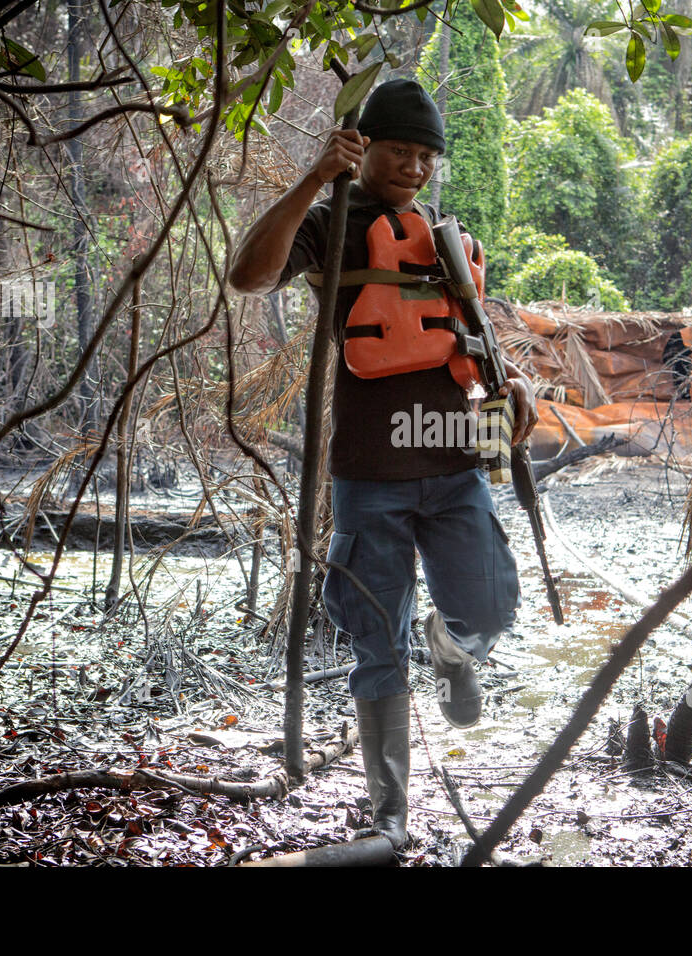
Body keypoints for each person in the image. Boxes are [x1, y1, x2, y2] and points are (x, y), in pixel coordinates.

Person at [228, 78, 536, 850]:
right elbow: (247, 276)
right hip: (368, 477)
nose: (415, 165)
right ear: (366, 147)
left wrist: (518, 385)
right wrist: (310, 178)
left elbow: (473, 338)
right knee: (374, 642)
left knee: (493, 607)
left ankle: (454, 648)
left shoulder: (441, 232)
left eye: (427, 154)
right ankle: (391, 814)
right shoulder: (332, 219)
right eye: (400, 149)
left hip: (458, 460)